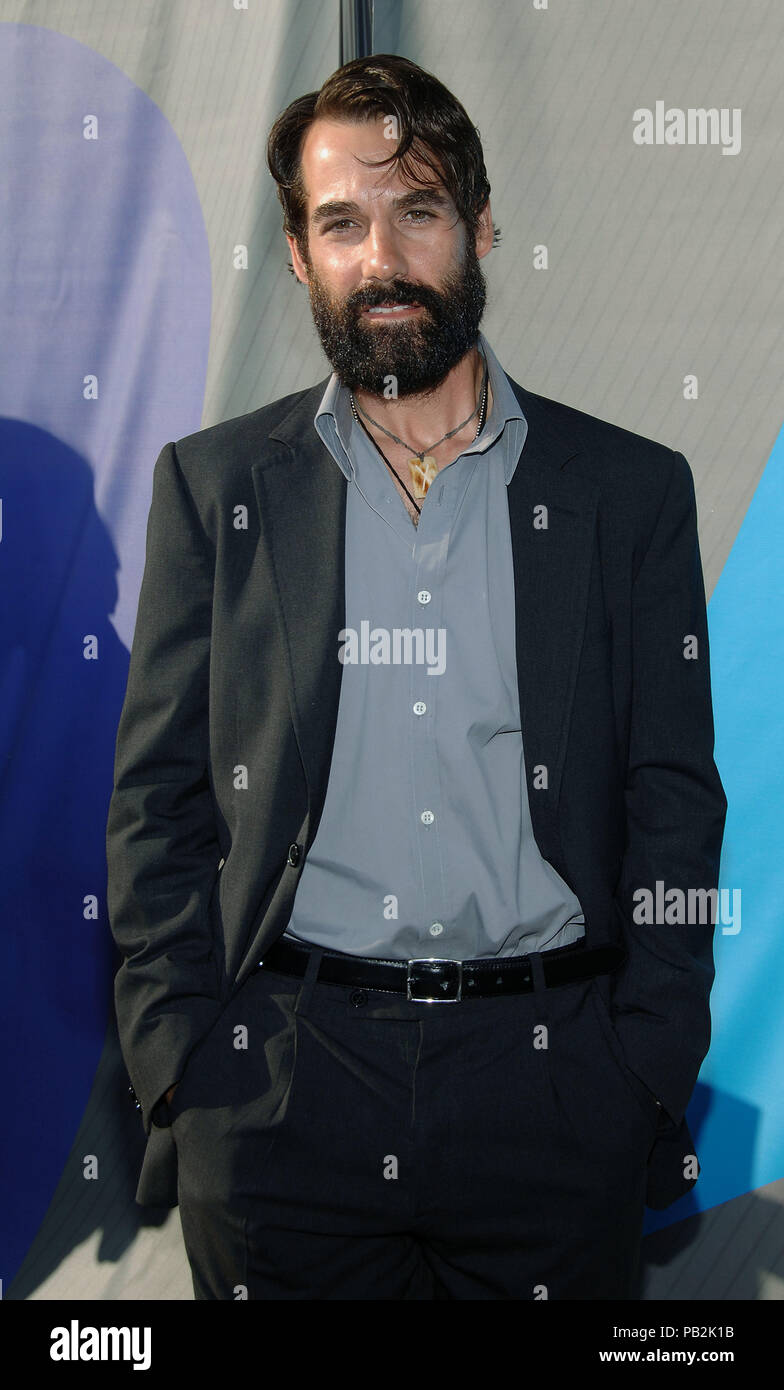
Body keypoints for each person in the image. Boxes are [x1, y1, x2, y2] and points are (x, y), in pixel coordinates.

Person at [106, 53, 727, 1300]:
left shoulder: (626, 494)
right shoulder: (214, 489)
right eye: (341, 221)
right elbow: (155, 807)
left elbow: (674, 800)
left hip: (555, 1088)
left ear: (480, 227)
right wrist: (187, 1065)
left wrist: (643, 1065)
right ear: (297, 253)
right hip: (283, 1088)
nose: (380, 255)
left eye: (419, 210)